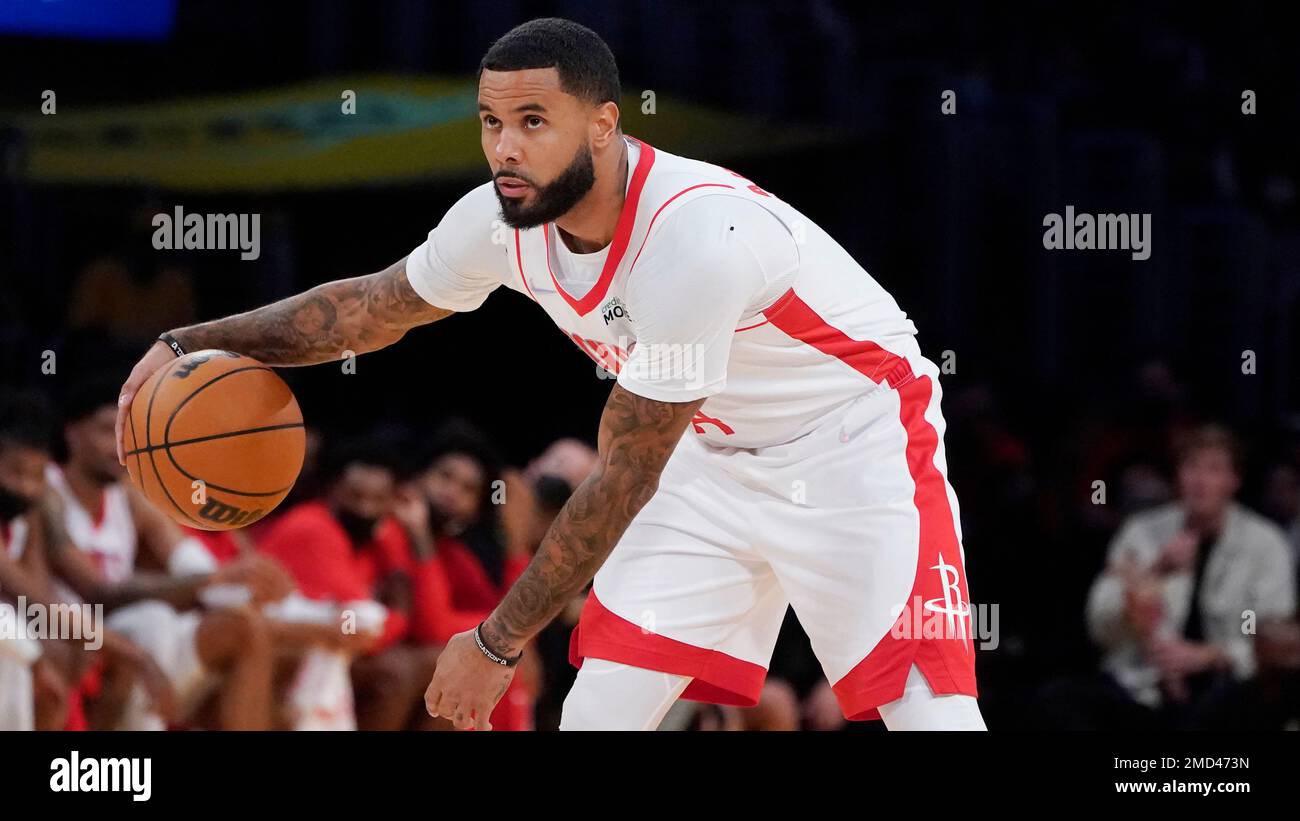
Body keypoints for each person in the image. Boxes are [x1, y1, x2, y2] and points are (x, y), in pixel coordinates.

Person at [114, 18, 983, 730]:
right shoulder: (499, 221)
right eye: (492, 122)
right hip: (705, 458)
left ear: (603, 124)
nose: (506, 148)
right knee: (597, 716)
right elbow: (372, 308)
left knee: (929, 723)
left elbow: (623, 473)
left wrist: (493, 645)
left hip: (849, 446)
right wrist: (190, 339)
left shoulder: (693, 242)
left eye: (534, 121)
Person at [1048, 425, 1297, 729]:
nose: (1200, 482)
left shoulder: (1264, 544)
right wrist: (1156, 571)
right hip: (1143, 687)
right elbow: (1099, 626)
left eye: (1214, 470)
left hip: (1228, 689)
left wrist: (1210, 655)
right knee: (1061, 698)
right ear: (1178, 476)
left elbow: (1278, 642)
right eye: (1191, 468)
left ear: (1234, 481)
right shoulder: (1142, 532)